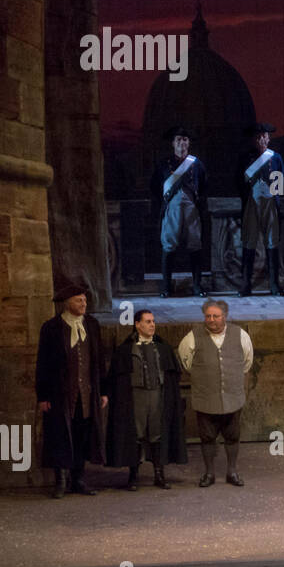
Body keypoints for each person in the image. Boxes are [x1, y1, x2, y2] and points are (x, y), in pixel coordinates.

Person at [35, 283, 107, 498]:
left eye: (84, 300)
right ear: (68, 304)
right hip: (61, 394)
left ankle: (78, 479)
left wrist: (102, 391)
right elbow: (43, 364)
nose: (84, 304)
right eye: (79, 300)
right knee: (59, 435)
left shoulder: (92, 325)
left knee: (82, 435)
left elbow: (98, 360)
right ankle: (61, 481)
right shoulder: (52, 328)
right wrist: (43, 395)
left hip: (86, 393)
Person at [105, 309, 187, 490]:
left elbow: (173, 375)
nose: (152, 325)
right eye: (148, 322)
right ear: (137, 324)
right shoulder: (125, 350)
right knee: (137, 434)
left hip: (157, 395)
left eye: (153, 321)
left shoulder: (163, 348)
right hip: (135, 397)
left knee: (157, 434)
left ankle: (159, 474)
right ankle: (134, 475)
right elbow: (115, 377)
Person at [178, 299, 254, 486]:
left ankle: (232, 472)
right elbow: (186, 362)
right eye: (208, 316)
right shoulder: (193, 337)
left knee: (232, 436)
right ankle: (209, 473)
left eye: (215, 316)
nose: (211, 320)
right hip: (206, 398)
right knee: (207, 437)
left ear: (225, 316)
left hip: (232, 397)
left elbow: (247, 362)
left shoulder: (240, 335)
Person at [150, 125, 207, 298]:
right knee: (169, 244)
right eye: (178, 140)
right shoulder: (163, 165)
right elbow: (155, 187)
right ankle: (166, 287)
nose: (182, 143)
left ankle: (197, 286)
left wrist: (199, 205)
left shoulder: (197, 164)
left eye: (185, 139)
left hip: (191, 207)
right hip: (172, 207)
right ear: (172, 143)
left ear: (189, 143)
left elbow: (204, 186)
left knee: (195, 244)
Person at [238, 122, 284, 297]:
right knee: (249, 243)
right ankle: (245, 285)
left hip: (270, 202)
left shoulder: (276, 158)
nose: (261, 140)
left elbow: (279, 184)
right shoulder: (246, 158)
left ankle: (274, 285)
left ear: (268, 138)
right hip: (251, 202)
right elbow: (239, 181)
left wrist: (276, 201)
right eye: (258, 137)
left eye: (264, 136)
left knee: (272, 243)